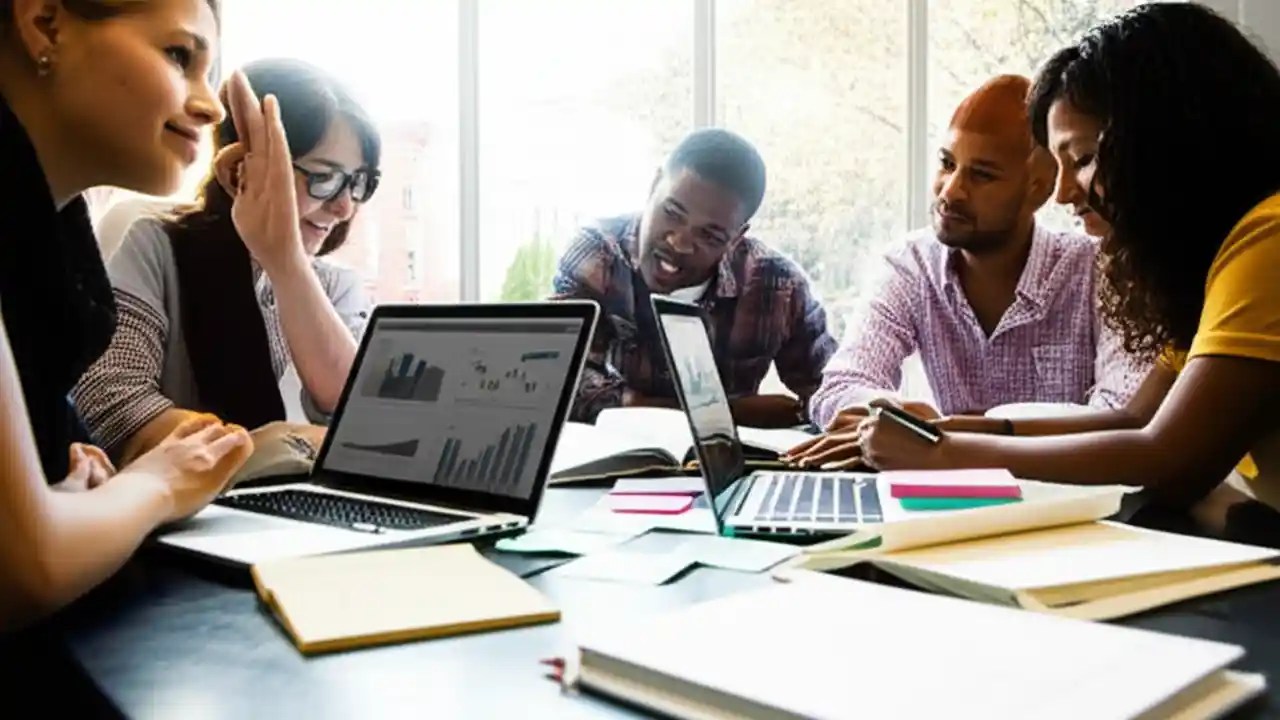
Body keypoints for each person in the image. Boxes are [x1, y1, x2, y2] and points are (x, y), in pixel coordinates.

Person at [796, 2, 1280, 522]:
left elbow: (1168, 460)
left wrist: (945, 455)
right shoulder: (1215, 263)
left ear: (1171, 141)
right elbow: (1136, 418)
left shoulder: (1268, 238)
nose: (1066, 191)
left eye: (1084, 159)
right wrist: (947, 430)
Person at [0, 0, 254, 630]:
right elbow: (25, 570)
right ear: (45, 24)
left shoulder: (49, 251)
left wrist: (68, 501)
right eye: (178, 56)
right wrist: (159, 482)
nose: (211, 105)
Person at [72, 57, 378, 465]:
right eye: (324, 177)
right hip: (191, 511)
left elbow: (358, 415)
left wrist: (286, 264)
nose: (343, 207)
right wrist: (256, 451)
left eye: (358, 182)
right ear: (239, 171)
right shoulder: (156, 247)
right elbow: (110, 398)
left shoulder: (338, 286)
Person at [804, 74, 1144, 436]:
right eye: (947, 164)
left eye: (981, 175)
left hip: (1072, 492)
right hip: (952, 488)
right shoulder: (911, 267)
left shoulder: (1101, 271)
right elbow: (838, 390)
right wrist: (889, 410)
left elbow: (1123, 415)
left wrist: (957, 431)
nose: (950, 193)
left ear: (1039, 191)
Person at [552, 128, 837, 428]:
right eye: (672, 213)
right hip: (619, 455)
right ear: (654, 186)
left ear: (737, 236)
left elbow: (834, 390)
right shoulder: (598, 255)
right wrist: (727, 413)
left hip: (729, 469)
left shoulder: (778, 285)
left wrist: (804, 411)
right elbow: (558, 376)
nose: (679, 242)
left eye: (710, 235)